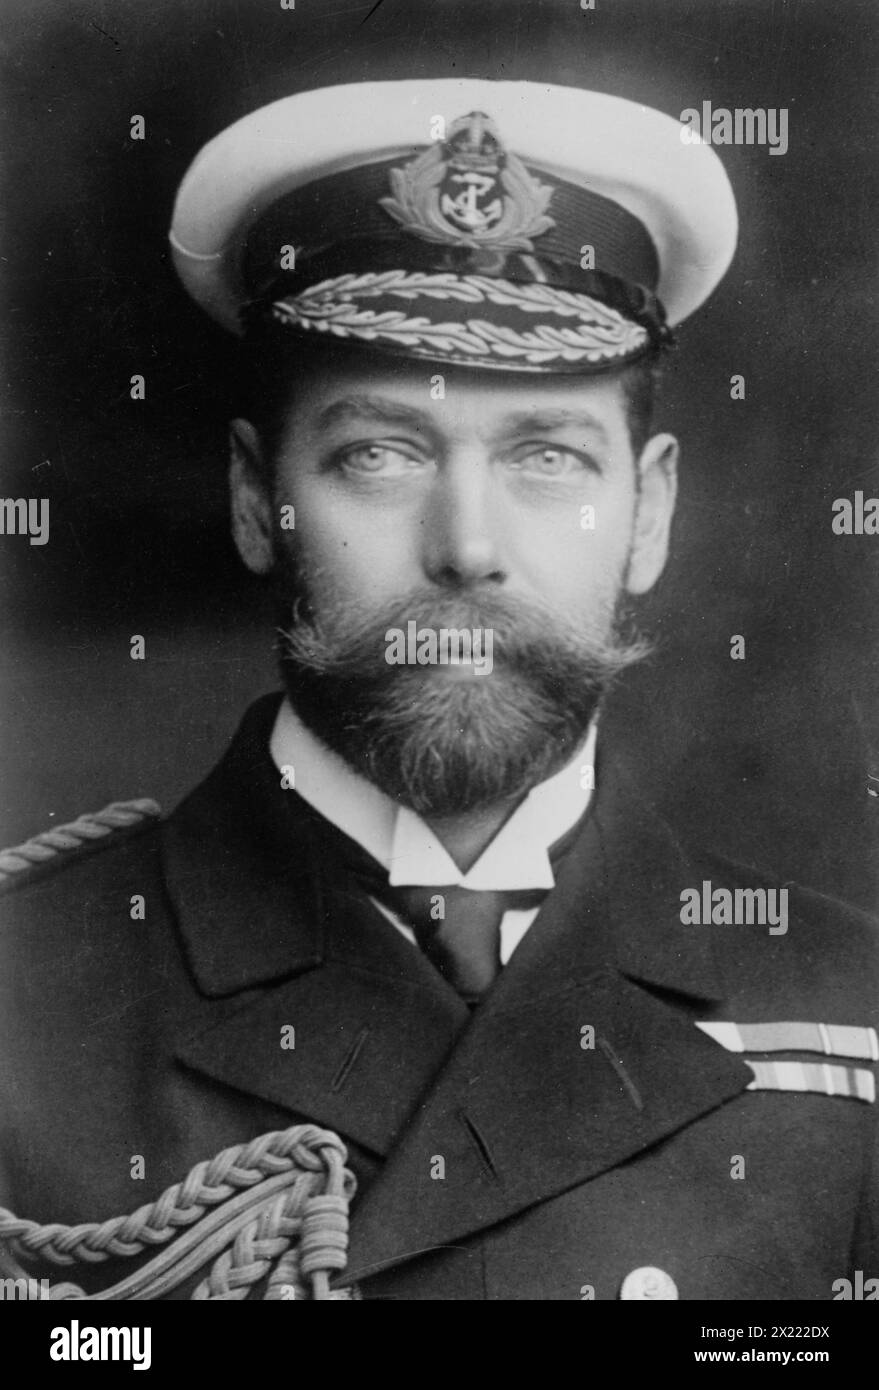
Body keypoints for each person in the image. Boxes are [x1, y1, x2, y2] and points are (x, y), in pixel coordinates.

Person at [0, 79, 876, 1302]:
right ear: (259, 498)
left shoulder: (848, 1015)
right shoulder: (25, 1002)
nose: (467, 546)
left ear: (651, 510)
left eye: (548, 457)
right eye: (380, 453)